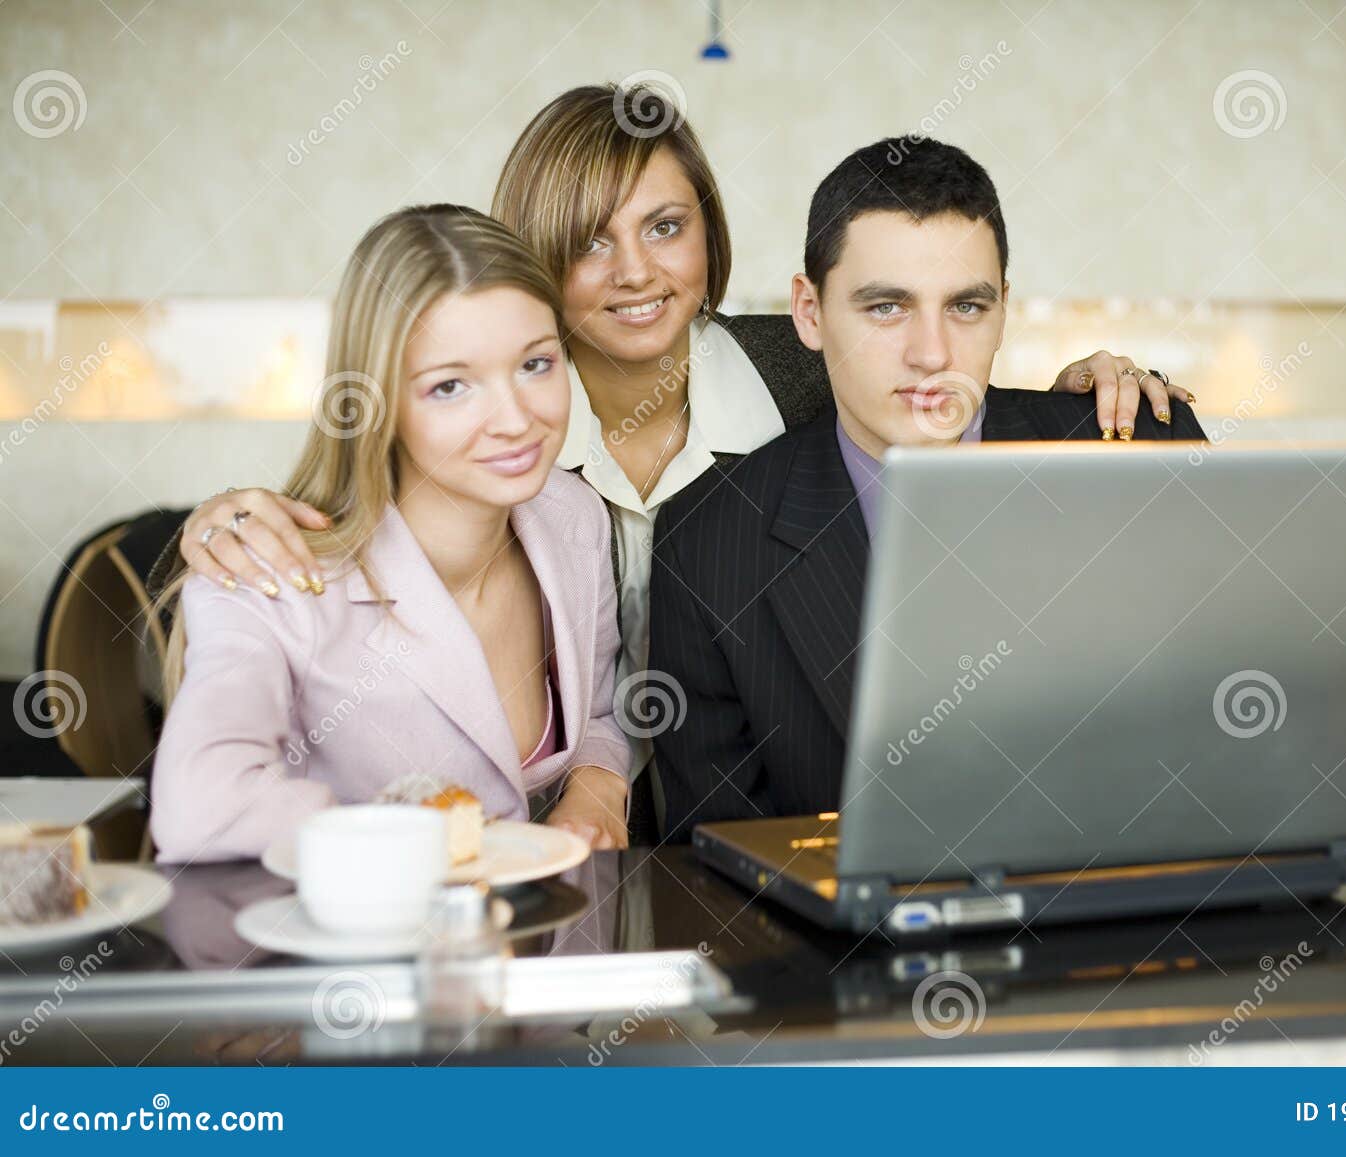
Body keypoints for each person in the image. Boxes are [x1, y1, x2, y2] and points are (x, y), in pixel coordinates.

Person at [153, 84, 1190, 837]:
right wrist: (235, 515)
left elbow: (929, 359)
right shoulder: (521, 460)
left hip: (623, 846)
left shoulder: (801, 365)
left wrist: (1089, 393)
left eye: (665, 226)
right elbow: (369, 471)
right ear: (535, 267)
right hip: (652, 846)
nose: (637, 271)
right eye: (590, 240)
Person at [647, 138, 1206, 840]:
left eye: (966, 307)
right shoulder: (706, 545)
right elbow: (722, 861)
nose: (933, 354)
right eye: (887, 307)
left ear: (1004, 309)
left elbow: (1251, 748)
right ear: (810, 312)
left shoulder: (1142, 458)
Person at [149, 206, 631, 862]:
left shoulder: (573, 516)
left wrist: (598, 785)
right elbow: (197, 812)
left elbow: (598, 713)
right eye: (451, 386)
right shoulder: (270, 577)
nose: (516, 419)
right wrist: (423, 840)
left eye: (535, 364)